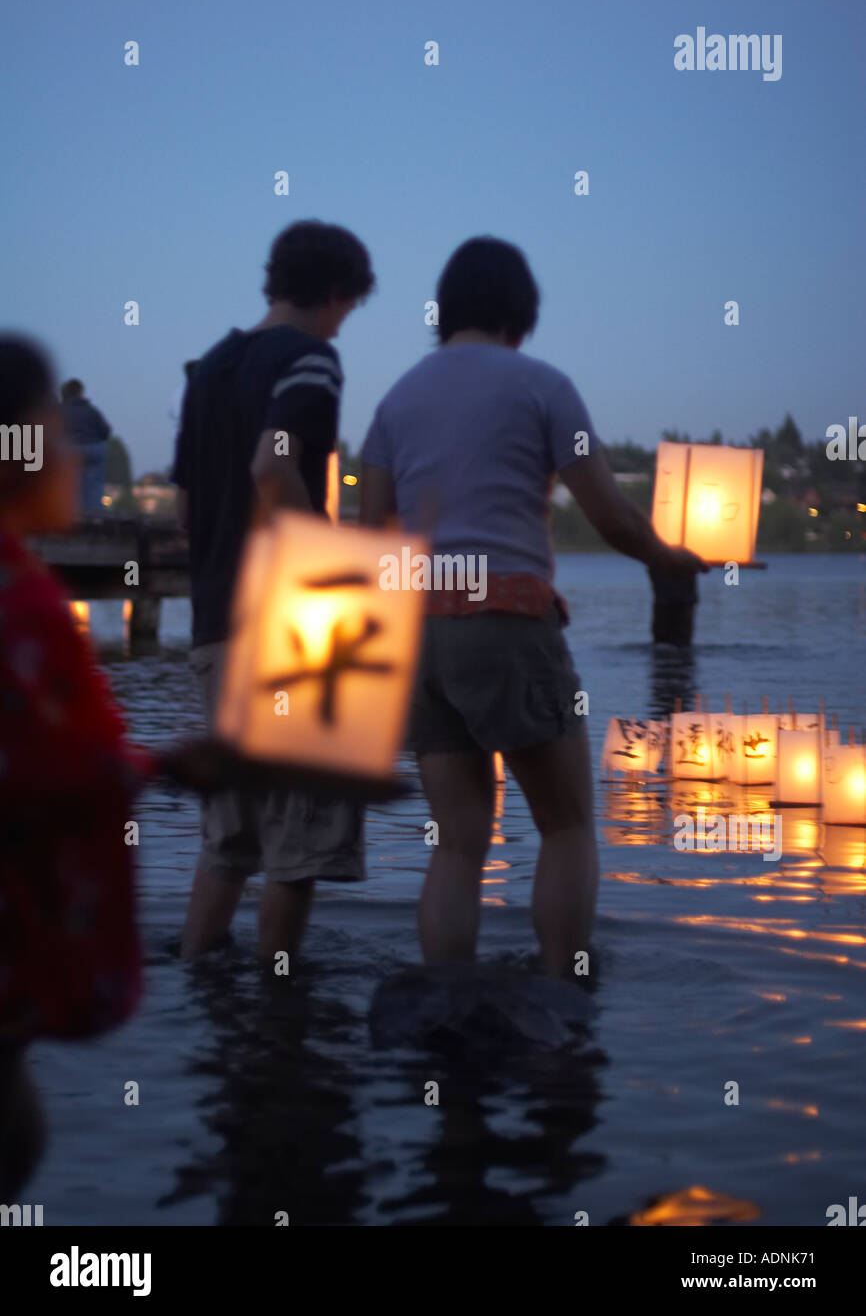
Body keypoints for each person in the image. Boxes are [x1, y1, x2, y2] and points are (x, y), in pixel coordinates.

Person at [360, 236, 707, 978]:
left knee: (457, 841)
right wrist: (670, 559)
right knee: (569, 824)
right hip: (511, 619)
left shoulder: (394, 402)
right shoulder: (545, 388)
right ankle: (563, 994)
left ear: (444, 312)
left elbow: (370, 537)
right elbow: (610, 516)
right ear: (523, 314)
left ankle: (446, 1004)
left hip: (420, 632)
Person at [0, 336, 235, 1201]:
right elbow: (43, 765)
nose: (75, 456)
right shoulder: (17, 600)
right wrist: (166, 766)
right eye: (55, 434)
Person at [171, 220, 375, 963]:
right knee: (298, 842)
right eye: (349, 310)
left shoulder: (207, 372)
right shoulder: (310, 361)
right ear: (335, 294)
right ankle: (279, 1015)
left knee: (229, 837)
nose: (343, 326)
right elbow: (272, 463)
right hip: (290, 628)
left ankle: (198, 981)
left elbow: (189, 510)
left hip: (214, 627)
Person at [59, 378, 111, 514]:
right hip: (93, 449)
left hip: (70, 451)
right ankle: (94, 514)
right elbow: (105, 431)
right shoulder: (92, 411)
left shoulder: (59, 411)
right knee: (93, 484)